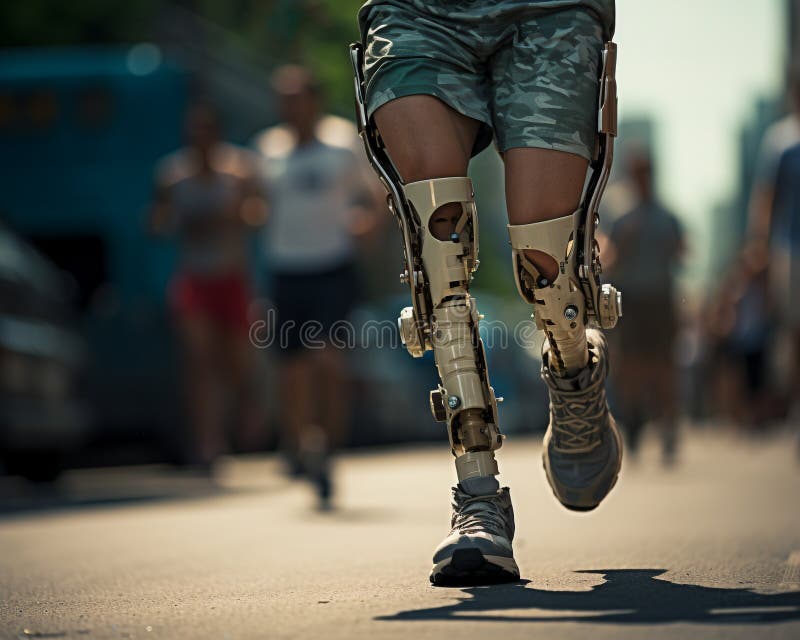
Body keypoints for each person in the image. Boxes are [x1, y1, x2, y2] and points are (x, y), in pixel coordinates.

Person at [354, 0, 623, 585]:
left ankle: (573, 366)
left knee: (544, 259)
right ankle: (478, 494)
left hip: (548, 11)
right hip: (417, 13)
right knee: (437, 239)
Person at [252, 66, 381, 509]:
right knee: (292, 372)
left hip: (333, 266)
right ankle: (302, 441)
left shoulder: (342, 143)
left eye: (297, 97)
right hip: (286, 270)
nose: (290, 107)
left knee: (329, 362)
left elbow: (374, 197)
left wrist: (365, 225)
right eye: (283, 99)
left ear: (315, 100)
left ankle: (327, 447)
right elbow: (255, 205)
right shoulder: (267, 150)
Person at [150, 103, 267, 470]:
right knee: (200, 362)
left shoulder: (239, 169)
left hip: (231, 276)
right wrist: (171, 220)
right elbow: (158, 219)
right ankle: (207, 442)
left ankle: (246, 420)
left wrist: (234, 215)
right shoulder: (172, 174)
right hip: (194, 279)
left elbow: (258, 213)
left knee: (237, 364)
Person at [605, 150, 685, 464]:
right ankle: (634, 425)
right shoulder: (621, 217)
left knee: (665, 365)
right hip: (632, 300)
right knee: (632, 366)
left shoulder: (667, 216)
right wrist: (623, 243)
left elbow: (682, 252)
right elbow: (608, 259)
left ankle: (668, 429)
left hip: (660, 297)